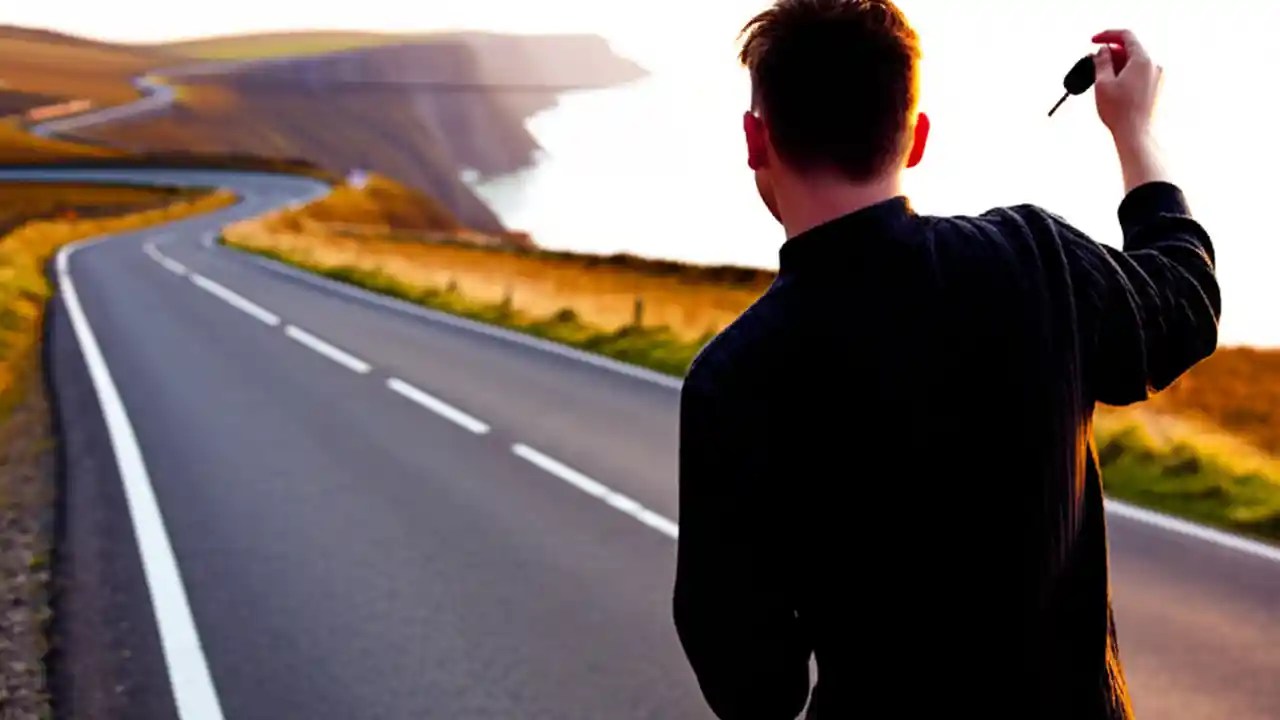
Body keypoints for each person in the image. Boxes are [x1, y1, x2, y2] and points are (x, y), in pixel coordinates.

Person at [672, 1, 1220, 718]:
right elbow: (1185, 304)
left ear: (755, 138)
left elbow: (754, 684)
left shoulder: (732, 379)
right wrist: (1134, 130)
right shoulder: (1034, 260)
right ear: (916, 136)